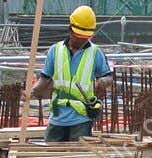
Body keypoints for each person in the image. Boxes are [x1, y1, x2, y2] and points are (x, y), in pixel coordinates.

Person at [27, 6, 113, 144]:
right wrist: (32, 91)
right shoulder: (55, 51)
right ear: (70, 30)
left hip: (81, 117)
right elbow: (44, 79)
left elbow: (108, 77)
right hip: (58, 115)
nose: (82, 40)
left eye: (86, 37)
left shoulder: (95, 53)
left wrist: (103, 81)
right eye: (79, 36)